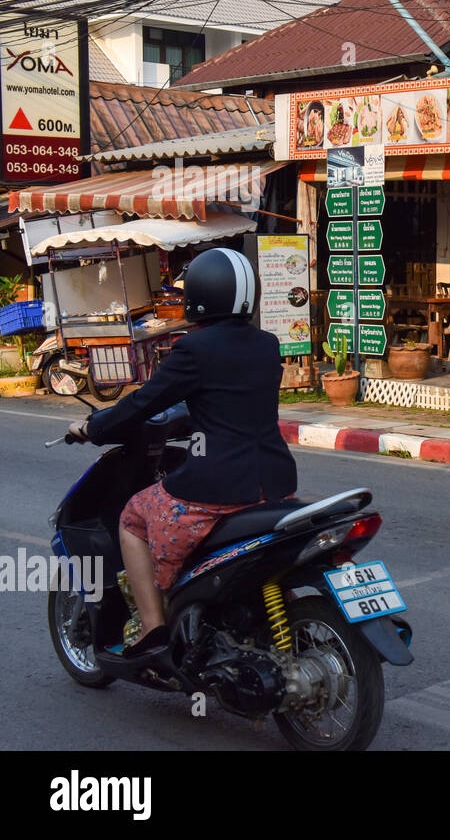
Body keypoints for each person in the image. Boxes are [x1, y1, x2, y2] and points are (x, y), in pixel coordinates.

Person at [68, 247, 297, 656]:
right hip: (276, 483)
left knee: (134, 516)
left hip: (217, 489)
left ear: (199, 293)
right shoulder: (267, 345)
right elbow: (233, 403)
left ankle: (153, 626)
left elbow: (141, 404)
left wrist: (92, 427)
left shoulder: (194, 349)